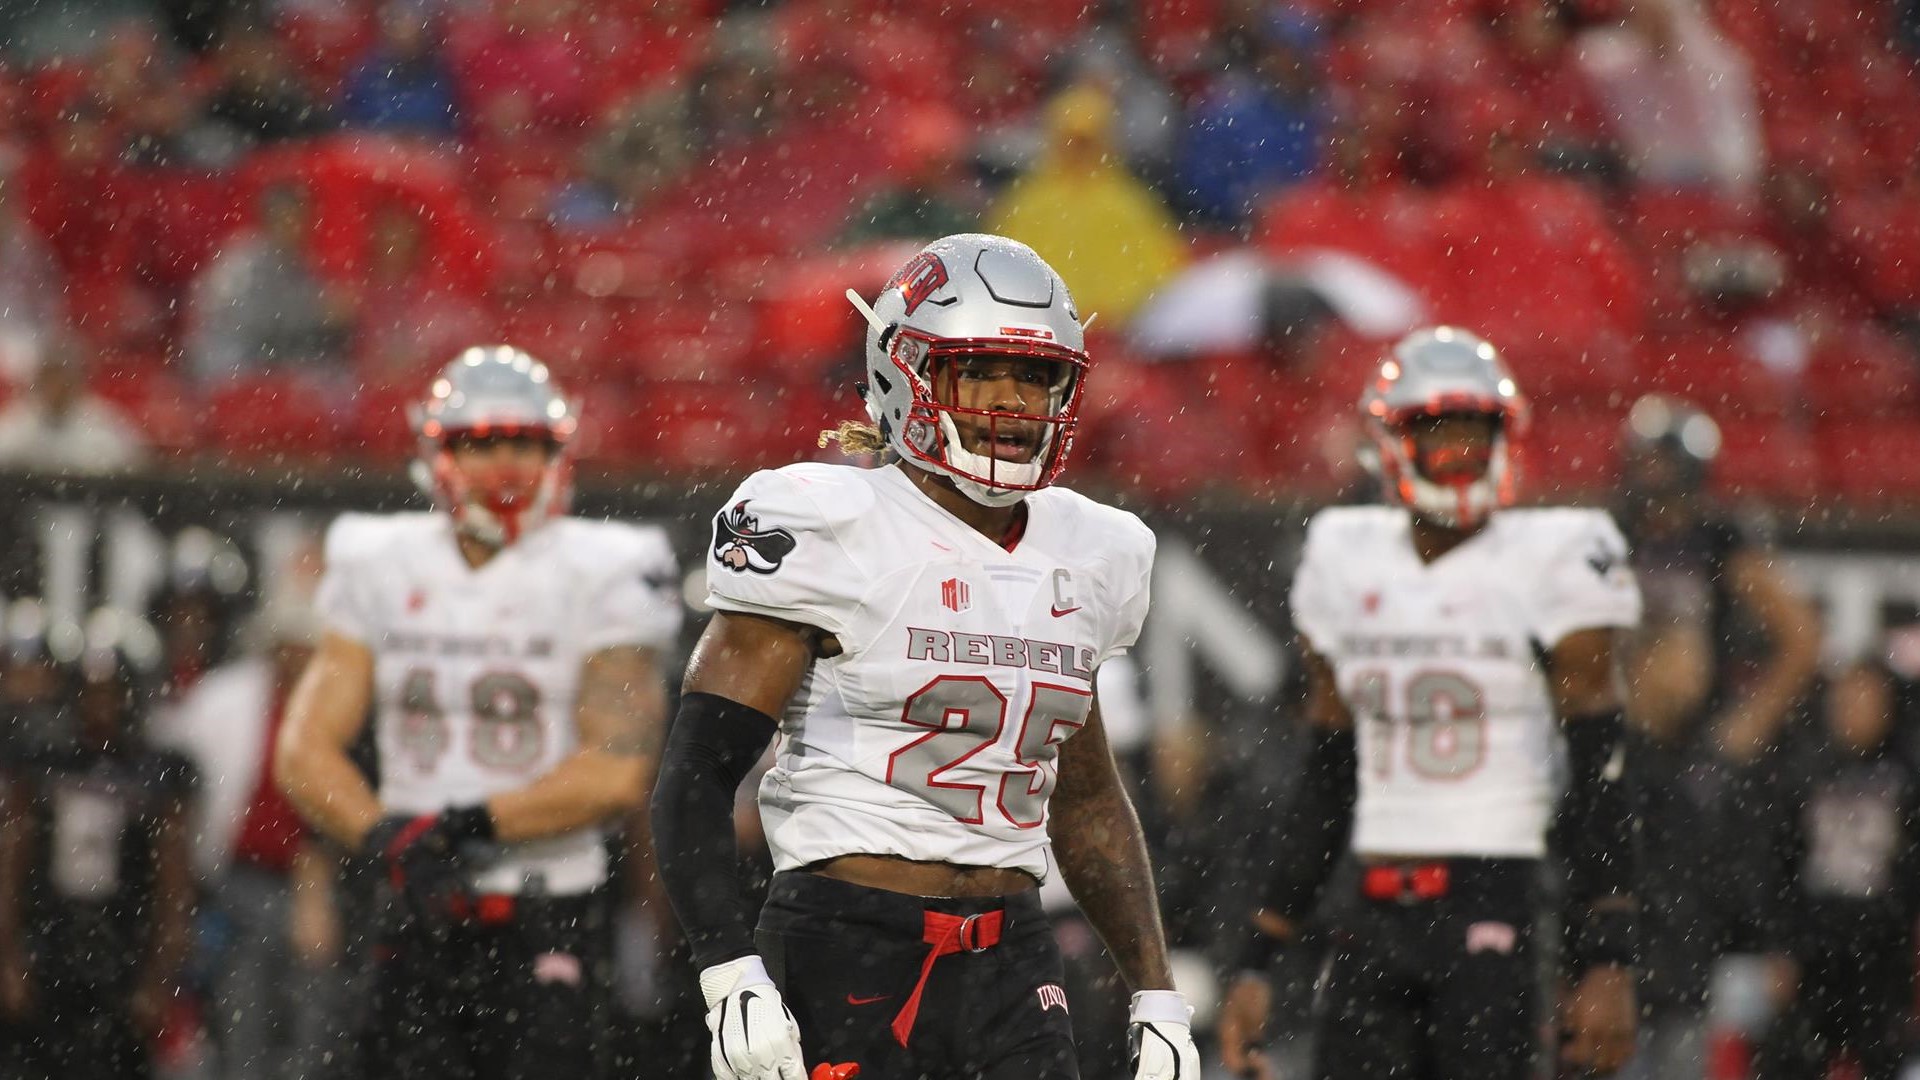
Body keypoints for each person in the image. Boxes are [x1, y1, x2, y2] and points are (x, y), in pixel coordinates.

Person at [649, 233, 1201, 1080]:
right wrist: (728, 970)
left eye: (1035, 376)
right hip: (848, 940)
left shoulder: (1096, 548)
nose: (1012, 400)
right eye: (979, 371)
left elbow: (1087, 799)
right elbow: (696, 773)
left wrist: (1157, 994)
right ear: (903, 372)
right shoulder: (829, 521)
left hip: (1015, 952)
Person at [1217, 327, 1644, 1079]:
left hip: (1499, 892)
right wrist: (1260, 954)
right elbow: (1327, 777)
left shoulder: (1554, 554)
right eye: (1437, 428)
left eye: (1475, 429)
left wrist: (1608, 957)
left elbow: (1599, 770)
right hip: (1372, 905)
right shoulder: (1345, 553)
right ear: (1393, 442)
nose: (1459, 450)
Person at [274, 346, 682, 1080]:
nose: (505, 466)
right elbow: (303, 750)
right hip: (416, 901)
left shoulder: (606, 565)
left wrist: (463, 825)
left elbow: (618, 771)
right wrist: (386, 836)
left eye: (526, 443)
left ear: (559, 453)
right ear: (439, 454)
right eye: (481, 443)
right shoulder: (379, 557)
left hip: (547, 903)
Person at [0, 610, 196, 1080]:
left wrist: (159, 975)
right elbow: (13, 861)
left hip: (121, 946)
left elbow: (173, 885)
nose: (101, 705)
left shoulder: (155, 775)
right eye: (91, 691)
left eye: (112, 691)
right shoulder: (44, 763)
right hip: (51, 940)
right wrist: (9, 954)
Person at [1750, 661, 1920, 1080]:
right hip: (1813, 945)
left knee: (1881, 1058)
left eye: (1865, 699)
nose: (1854, 710)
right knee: (1792, 1059)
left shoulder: (1907, 774)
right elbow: (1778, 862)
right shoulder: (1804, 769)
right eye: (1846, 699)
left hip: (1882, 948)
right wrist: (1781, 944)